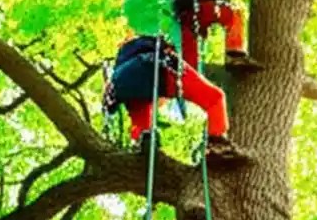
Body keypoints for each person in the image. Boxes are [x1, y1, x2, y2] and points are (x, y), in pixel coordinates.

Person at [102, 34, 248, 162]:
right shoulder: (159, 43)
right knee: (214, 98)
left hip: (123, 85)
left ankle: (144, 141)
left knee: (143, 127)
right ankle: (216, 142)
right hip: (159, 67)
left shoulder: (123, 59)